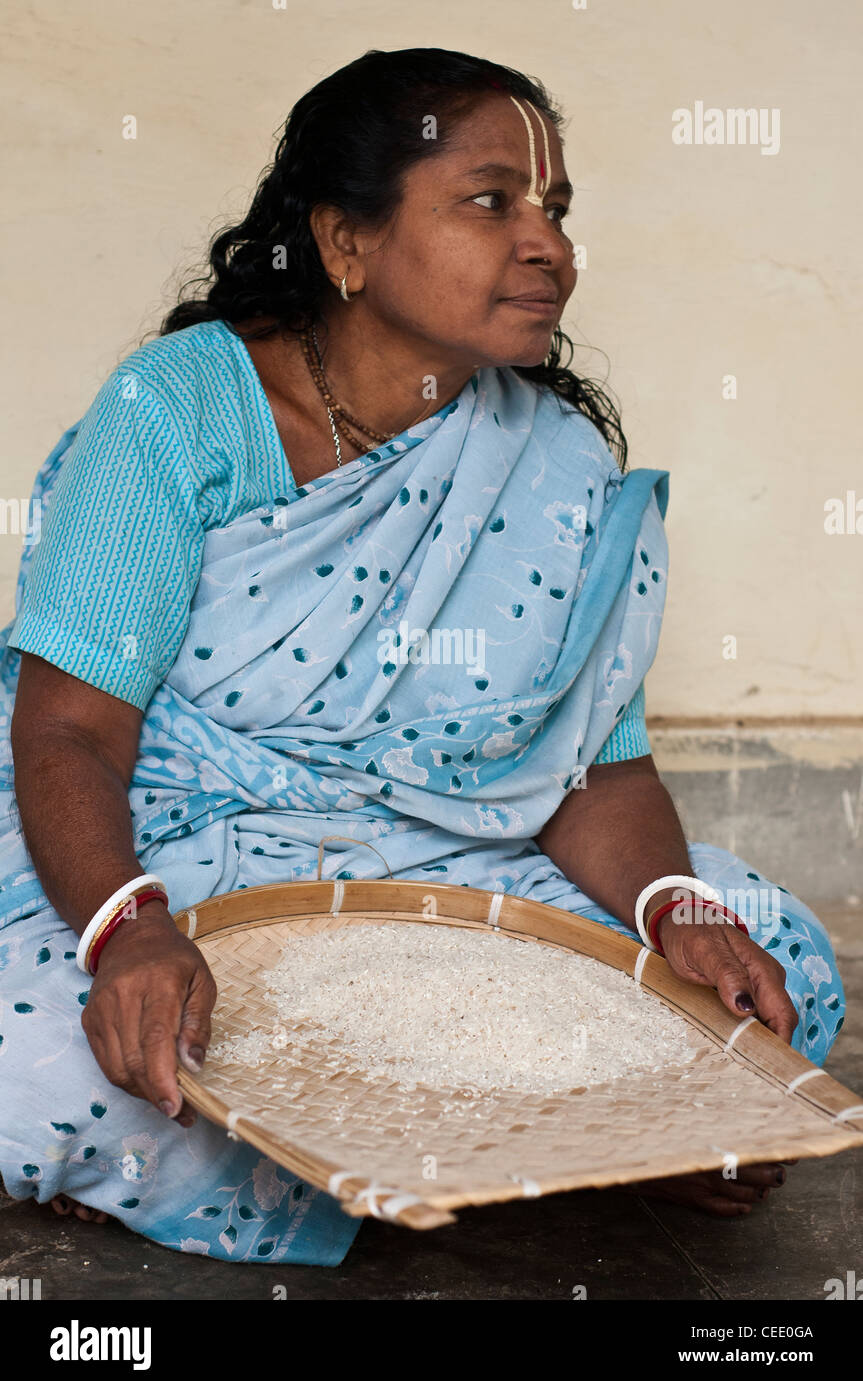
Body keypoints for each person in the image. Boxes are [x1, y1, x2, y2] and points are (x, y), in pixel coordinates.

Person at [0, 48, 841, 1264]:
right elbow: (70, 729)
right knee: (41, 1054)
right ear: (346, 239)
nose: (546, 242)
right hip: (175, 860)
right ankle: (574, 1162)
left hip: (452, 865)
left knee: (774, 975)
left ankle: (428, 1161)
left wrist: (675, 909)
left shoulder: (551, 460)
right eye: (492, 200)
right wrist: (131, 935)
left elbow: (594, 777)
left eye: (556, 209)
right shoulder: (178, 411)